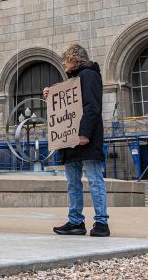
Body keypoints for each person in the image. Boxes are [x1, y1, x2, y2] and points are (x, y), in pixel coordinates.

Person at [43, 44, 109, 237]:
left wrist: (84, 133)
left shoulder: (89, 76)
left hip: (85, 137)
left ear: (75, 59)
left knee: (94, 180)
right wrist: (51, 94)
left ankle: (101, 223)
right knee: (73, 182)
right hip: (70, 140)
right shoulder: (73, 80)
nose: (63, 62)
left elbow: (92, 106)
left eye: (66, 59)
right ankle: (75, 222)